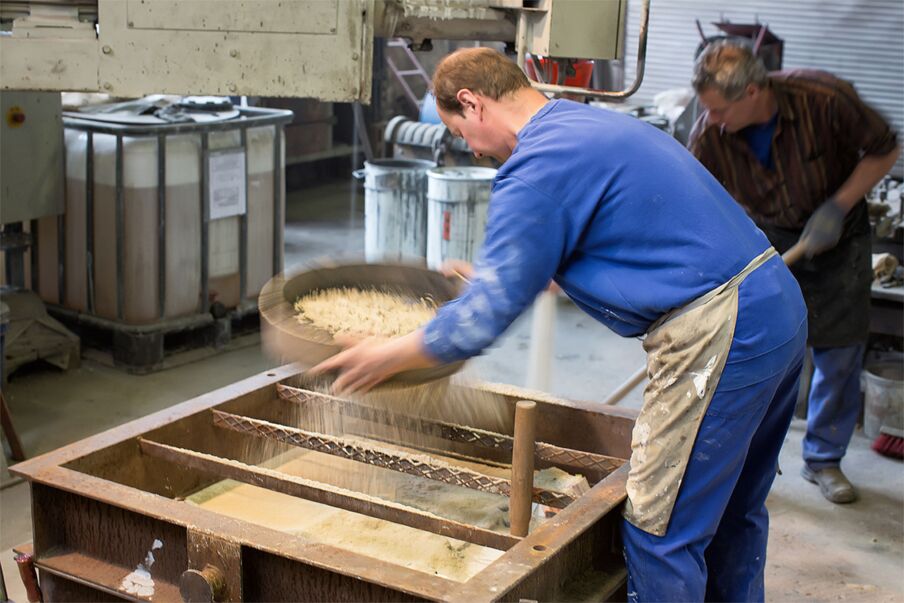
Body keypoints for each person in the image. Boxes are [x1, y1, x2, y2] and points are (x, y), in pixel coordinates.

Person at [312, 47, 808, 601]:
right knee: (734, 508)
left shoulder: (533, 169)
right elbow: (613, 232)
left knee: (657, 527)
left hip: (725, 330)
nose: (472, 151)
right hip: (774, 303)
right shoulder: (579, 124)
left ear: (473, 104)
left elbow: (477, 326)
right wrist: (508, 273)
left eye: (459, 133)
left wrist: (387, 354)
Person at [688, 40, 900, 504]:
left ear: (752, 93)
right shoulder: (710, 135)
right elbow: (696, 203)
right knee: (755, 352)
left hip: (837, 234)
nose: (714, 121)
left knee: (839, 352)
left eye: (721, 110)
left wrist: (838, 205)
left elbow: (885, 149)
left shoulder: (824, 99)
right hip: (766, 239)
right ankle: (746, 461)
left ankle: (823, 459)